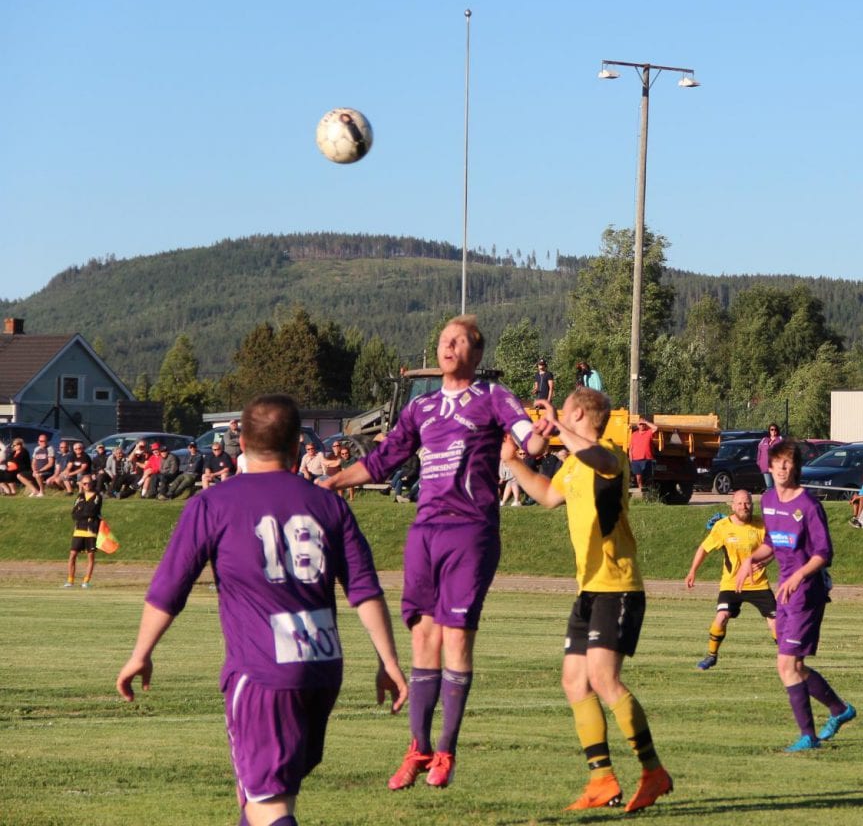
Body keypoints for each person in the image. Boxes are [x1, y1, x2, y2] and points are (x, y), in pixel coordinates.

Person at [115, 394, 408, 826]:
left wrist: (141, 653)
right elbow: (364, 589)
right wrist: (389, 660)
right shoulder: (329, 505)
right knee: (257, 795)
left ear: (241, 442)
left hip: (263, 673)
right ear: (296, 446)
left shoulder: (214, 504)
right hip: (322, 668)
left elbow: (169, 588)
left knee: (271, 806)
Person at [323, 314, 539, 792]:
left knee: (456, 638)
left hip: (471, 532)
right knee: (423, 639)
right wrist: (335, 481)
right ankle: (417, 748)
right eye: (444, 340)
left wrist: (537, 435)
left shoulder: (492, 397)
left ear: (476, 354)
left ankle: (446, 752)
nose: (448, 346)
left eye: (459, 341)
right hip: (425, 532)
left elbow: (528, 437)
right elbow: (383, 460)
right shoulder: (421, 409)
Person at [501, 386, 674, 814]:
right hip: (588, 589)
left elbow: (603, 461)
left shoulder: (608, 453)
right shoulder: (573, 466)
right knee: (574, 680)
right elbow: (546, 495)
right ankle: (601, 780)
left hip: (618, 586)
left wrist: (557, 428)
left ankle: (653, 772)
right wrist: (512, 461)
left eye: (564, 413)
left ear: (576, 412)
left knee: (603, 679)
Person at [736, 438, 856, 751]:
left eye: (787, 462)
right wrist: (751, 558)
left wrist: (799, 576)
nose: (781, 468)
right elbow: (774, 544)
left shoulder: (809, 506)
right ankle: (840, 710)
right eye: (776, 463)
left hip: (807, 594)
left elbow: (823, 553)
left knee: (786, 665)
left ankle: (808, 737)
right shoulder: (768, 499)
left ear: (796, 467)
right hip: (785, 592)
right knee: (795, 667)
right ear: (770, 466)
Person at [686, 489, 776, 669]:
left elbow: (776, 547)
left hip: (757, 583)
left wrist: (765, 562)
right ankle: (712, 655)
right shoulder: (722, 526)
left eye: (747, 503)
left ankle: (787, 659)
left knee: (776, 621)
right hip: (731, 584)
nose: (744, 506)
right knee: (721, 617)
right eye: (740, 503)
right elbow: (704, 548)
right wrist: (692, 571)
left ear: (752, 504)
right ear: (732, 506)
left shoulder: (761, 525)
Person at [64, 475, 104, 587]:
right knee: (72, 555)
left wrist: (82, 513)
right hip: (79, 529)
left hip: (91, 530)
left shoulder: (97, 496)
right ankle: (70, 580)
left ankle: (86, 581)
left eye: (89, 483)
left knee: (90, 556)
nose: (87, 485)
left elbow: (92, 511)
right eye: (85, 483)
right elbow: (74, 513)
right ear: (81, 484)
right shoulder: (80, 496)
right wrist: (82, 514)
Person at [628, 416, 658, 494]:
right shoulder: (634, 434)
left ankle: (650, 493)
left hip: (647, 459)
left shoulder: (648, 432)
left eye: (643, 424)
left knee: (648, 478)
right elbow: (631, 448)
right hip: (636, 459)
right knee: (638, 477)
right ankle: (640, 492)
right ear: (638, 425)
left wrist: (646, 422)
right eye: (640, 424)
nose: (642, 426)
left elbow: (656, 428)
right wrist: (631, 459)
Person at [755, 424, 783, 490]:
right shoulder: (764, 440)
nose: (774, 431)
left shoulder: (780, 440)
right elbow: (759, 451)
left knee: (777, 486)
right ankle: (770, 499)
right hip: (765, 467)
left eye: (775, 429)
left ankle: (777, 499)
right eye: (772, 429)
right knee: (769, 486)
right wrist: (759, 462)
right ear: (769, 431)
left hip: (776, 467)